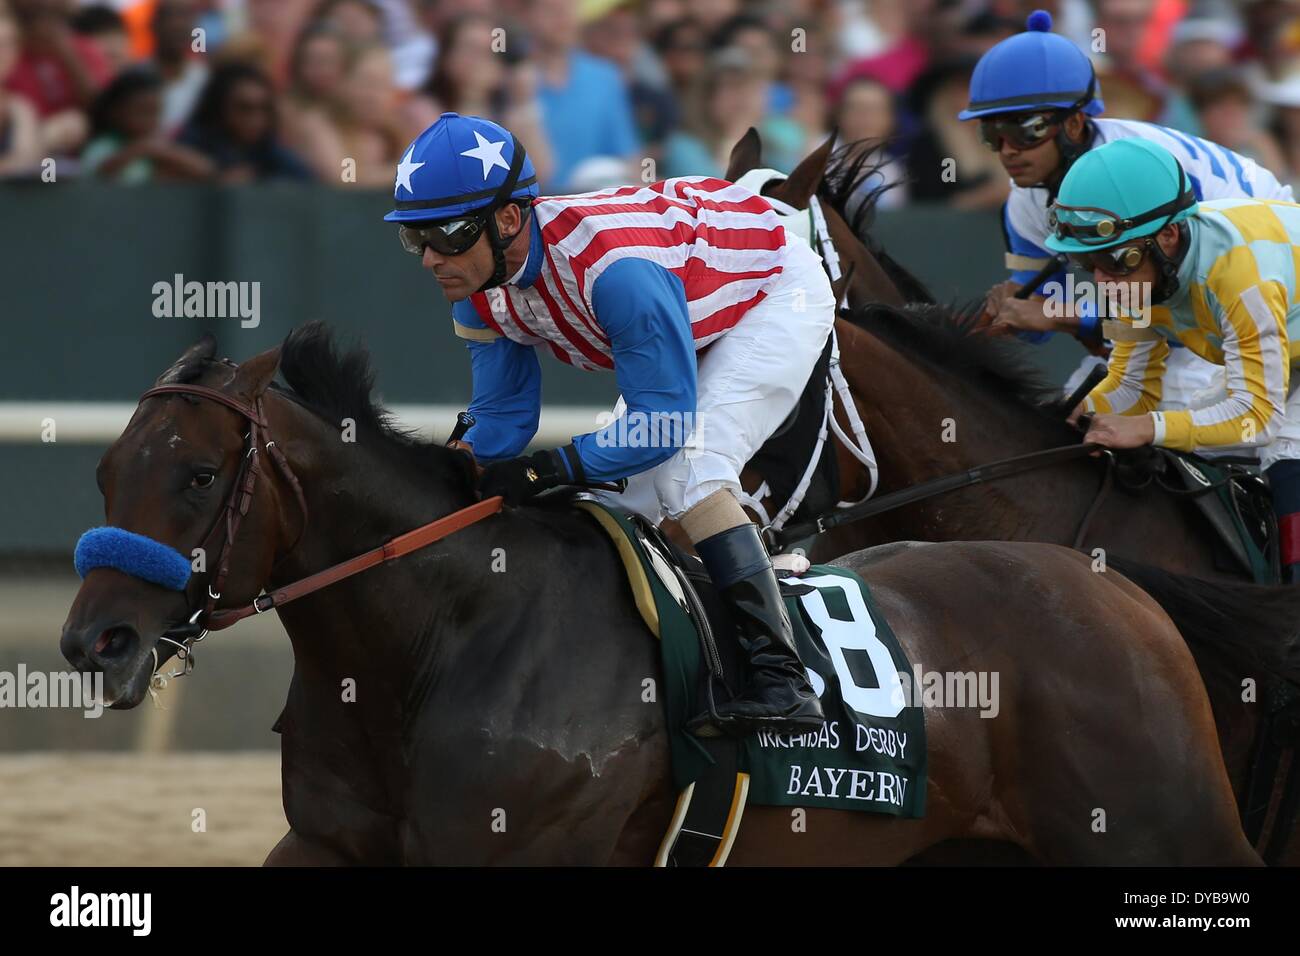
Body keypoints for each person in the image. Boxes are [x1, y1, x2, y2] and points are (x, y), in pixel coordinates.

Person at [385, 112, 831, 734]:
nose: (431, 258)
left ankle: (783, 682)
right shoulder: (478, 284)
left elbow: (662, 424)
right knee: (612, 498)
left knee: (691, 466)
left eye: (446, 235)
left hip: (776, 285)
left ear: (508, 219)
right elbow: (503, 417)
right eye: (416, 239)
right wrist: (458, 470)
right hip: (688, 292)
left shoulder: (614, 271)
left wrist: (550, 467)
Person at [969, 10, 1293, 408]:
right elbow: (1039, 314)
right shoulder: (1024, 200)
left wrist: (1057, 315)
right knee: (1071, 414)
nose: (1007, 150)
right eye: (992, 133)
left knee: (1167, 408)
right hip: (1181, 306)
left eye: (1024, 130)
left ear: (1073, 124)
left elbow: (1177, 308)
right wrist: (1010, 312)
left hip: (1256, 293)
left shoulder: (1133, 171)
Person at [1050, 138, 1300, 581]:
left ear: (1167, 236)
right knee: (1188, 434)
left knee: (1286, 456)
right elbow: (1131, 386)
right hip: (1288, 353)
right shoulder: (1133, 276)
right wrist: (1071, 421)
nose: (1104, 283)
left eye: (1113, 260)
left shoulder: (1240, 275)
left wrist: (1148, 426)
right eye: (1086, 264)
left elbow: (1255, 418)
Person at [178, 62, 313, 182]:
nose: (256, 119)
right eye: (244, 109)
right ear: (219, 108)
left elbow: (310, 186)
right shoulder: (192, 142)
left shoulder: (270, 151)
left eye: (264, 109)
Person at [81, 65, 212, 181]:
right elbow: (100, 176)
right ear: (115, 112)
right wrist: (138, 150)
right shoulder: (103, 146)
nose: (150, 120)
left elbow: (207, 171)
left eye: (156, 112)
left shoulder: (159, 147)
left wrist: (156, 151)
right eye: (142, 112)